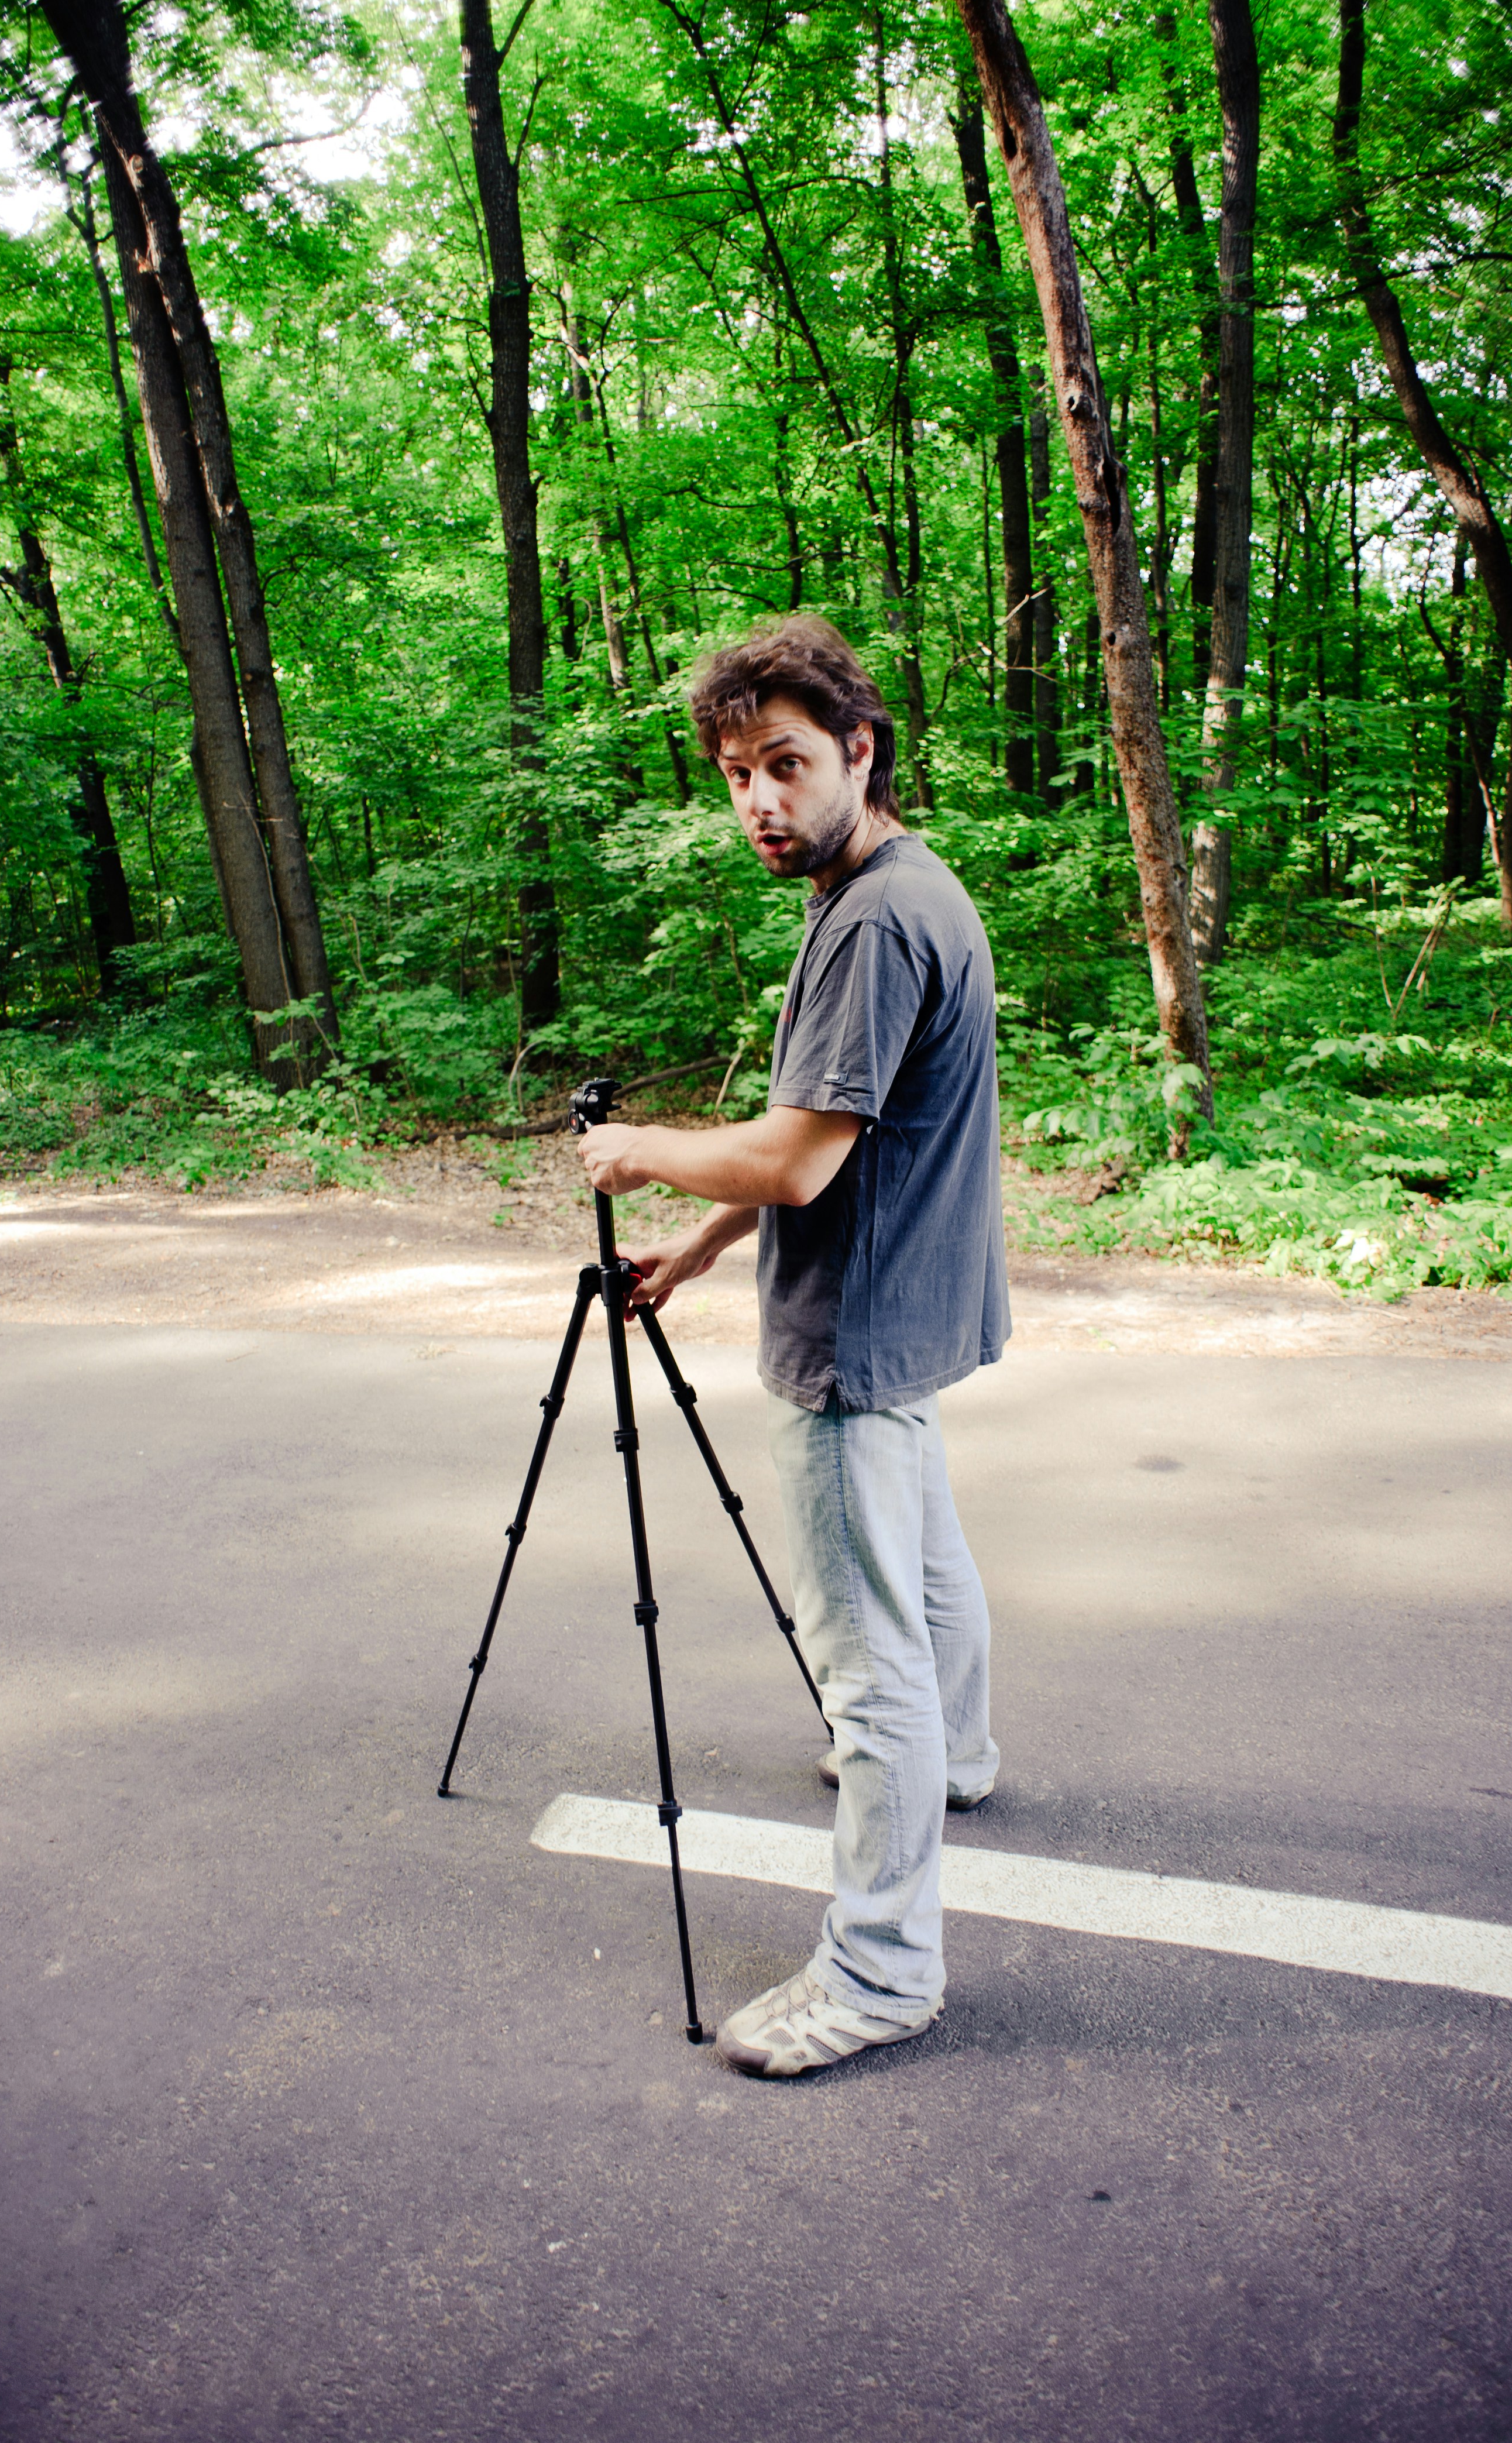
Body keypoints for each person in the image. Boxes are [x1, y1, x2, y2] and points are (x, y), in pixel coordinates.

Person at [578, 615, 1009, 2080]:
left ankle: (880, 1972)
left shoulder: (874, 921)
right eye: (735, 771)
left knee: (867, 1663)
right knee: (929, 1565)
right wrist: (697, 1250)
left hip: (855, 1337)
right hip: (913, 1311)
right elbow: (843, 1142)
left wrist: (637, 1151)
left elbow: (800, 1160)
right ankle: (964, 1757)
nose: (758, 798)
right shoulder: (907, 885)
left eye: (786, 763)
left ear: (859, 753)